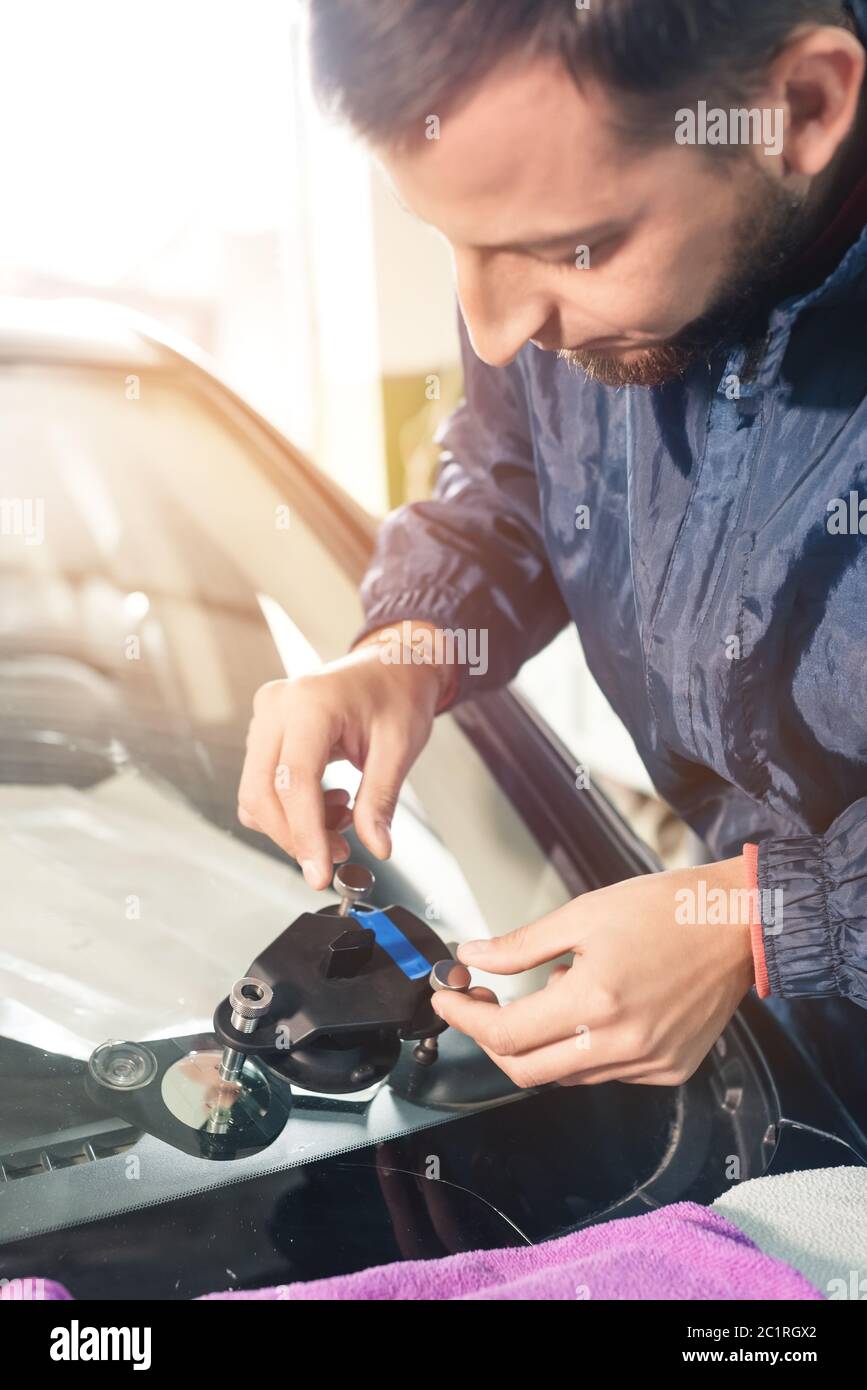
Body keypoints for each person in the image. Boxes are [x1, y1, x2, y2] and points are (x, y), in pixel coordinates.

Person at [238, 1, 867, 1105]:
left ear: (799, 107)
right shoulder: (561, 293)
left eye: (565, 250)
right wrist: (409, 643)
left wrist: (763, 919)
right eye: (452, 244)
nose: (491, 330)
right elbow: (522, 480)